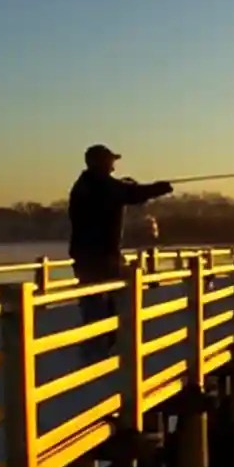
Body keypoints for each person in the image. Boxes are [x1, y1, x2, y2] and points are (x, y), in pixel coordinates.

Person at [68, 144, 173, 353]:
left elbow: (126, 192)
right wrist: (158, 188)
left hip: (90, 253)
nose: (113, 167)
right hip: (100, 255)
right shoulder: (99, 185)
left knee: (101, 299)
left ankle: (103, 343)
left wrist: (146, 188)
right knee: (103, 299)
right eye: (110, 162)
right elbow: (130, 194)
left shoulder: (89, 184)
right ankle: (98, 347)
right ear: (99, 162)